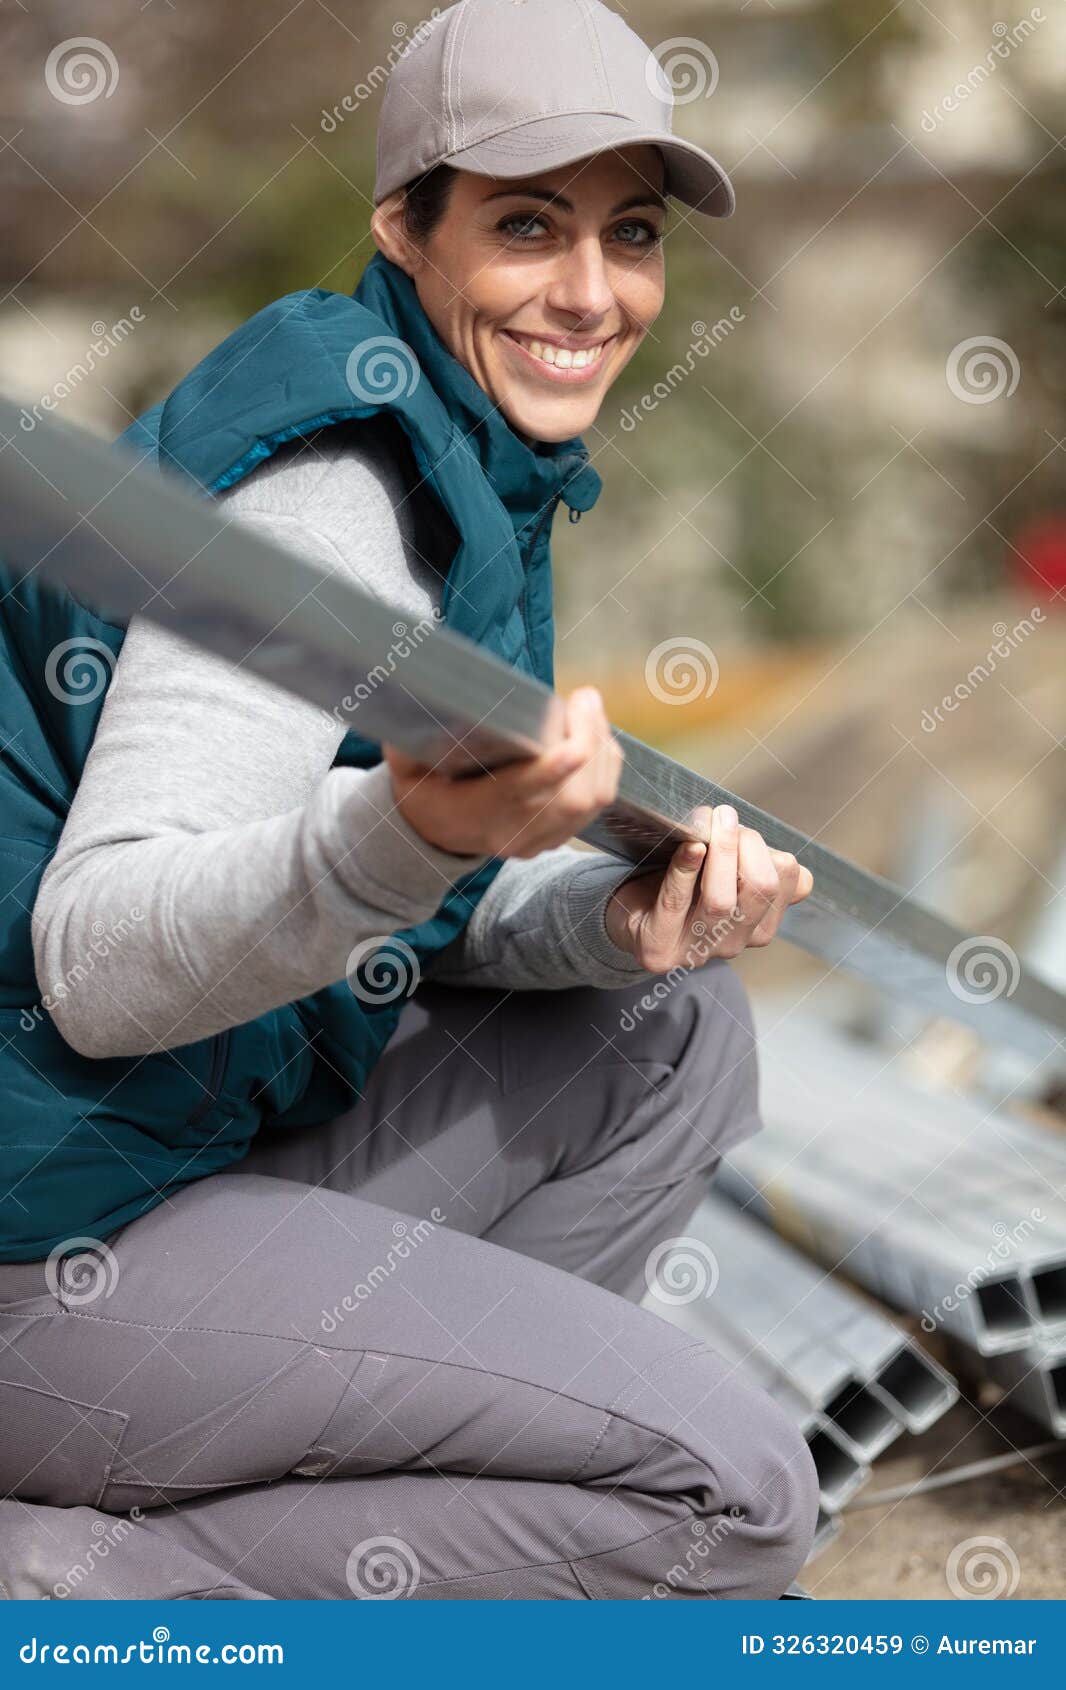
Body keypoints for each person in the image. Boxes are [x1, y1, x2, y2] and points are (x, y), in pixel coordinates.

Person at [0, 0, 819, 1600]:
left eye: (628, 234)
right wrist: (413, 831)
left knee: (669, 1026)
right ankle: (81, 1584)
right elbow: (96, 963)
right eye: (527, 226)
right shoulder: (339, 489)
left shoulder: (470, 462)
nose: (590, 292)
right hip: (51, 1246)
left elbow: (412, 908)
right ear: (405, 227)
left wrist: (609, 912)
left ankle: (345, 1499)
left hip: (179, 1152)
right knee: (730, 1501)